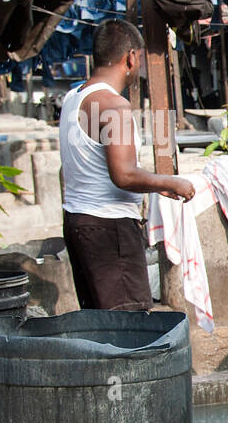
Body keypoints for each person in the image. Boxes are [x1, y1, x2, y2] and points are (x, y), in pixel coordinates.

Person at [59, 19, 195, 310]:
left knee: (99, 325)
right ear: (131, 57)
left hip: (77, 222)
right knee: (128, 326)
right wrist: (170, 183)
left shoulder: (73, 98)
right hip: (109, 228)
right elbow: (123, 174)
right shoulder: (113, 106)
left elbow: (68, 169)